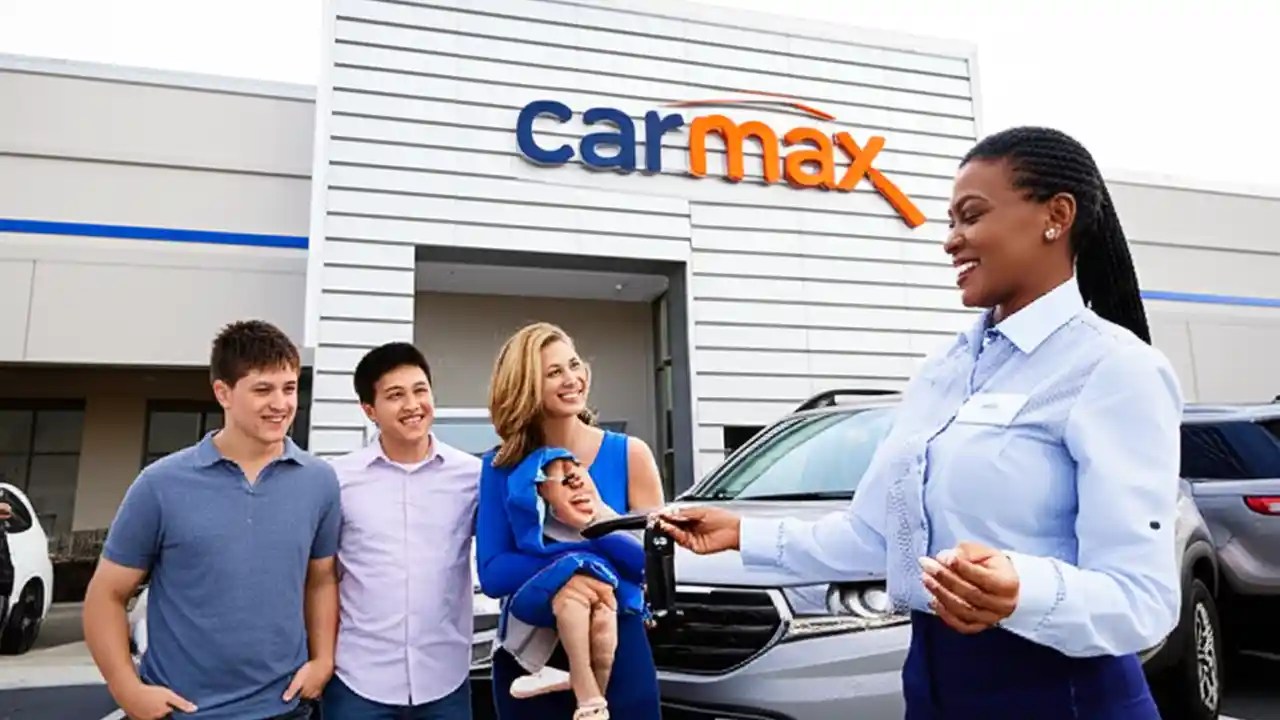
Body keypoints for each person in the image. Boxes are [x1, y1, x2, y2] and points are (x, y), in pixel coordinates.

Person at [658, 127, 1184, 719]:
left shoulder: (1115, 368)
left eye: (971, 216)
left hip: (1063, 695)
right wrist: (741, 534)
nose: (951, 241)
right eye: (950, 221)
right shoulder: (943, 370)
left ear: (1056, 216)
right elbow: (879, 539)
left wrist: (1021, 591)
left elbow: (1142, 600)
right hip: (933, 688)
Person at [83, 320, 341, 720]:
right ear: (223, 392)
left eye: (289, 388)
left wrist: (323, 660)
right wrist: (126, 688)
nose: (281, 403)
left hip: (286, 709)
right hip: (183, 712)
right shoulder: (160, 485)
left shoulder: (319, 482)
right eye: (263, 390)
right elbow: (106, 595)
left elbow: (321, 579)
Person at [477, 321, 665, 720]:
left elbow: (652, 564)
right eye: (553, 372)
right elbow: (493, 573)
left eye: (574, 365)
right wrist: (576, 563)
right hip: (528, 657)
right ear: (525, 386)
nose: (571, 379)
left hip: (619, 646)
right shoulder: (500, 467)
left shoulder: (630, 455)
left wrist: (588, 523)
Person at [322, 342, 480, 720]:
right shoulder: (336, 480)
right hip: (357, 681)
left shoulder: (472, 477)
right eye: (395, 395)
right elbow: (321, 575)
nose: (412, 405)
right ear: (369, 410)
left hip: (445, 678)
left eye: (420, 390)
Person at [501, 447, 648, 720]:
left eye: (580, 471)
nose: (577, 482)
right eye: (566, 480)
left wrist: (592, 527)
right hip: (545, 619)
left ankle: (591, 698)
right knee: (573, 597)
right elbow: (497, 575)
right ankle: (587, 693)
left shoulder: (606, 520)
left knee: (603, 613)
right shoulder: (541, 538)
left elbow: (642, 563)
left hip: (609, 606)